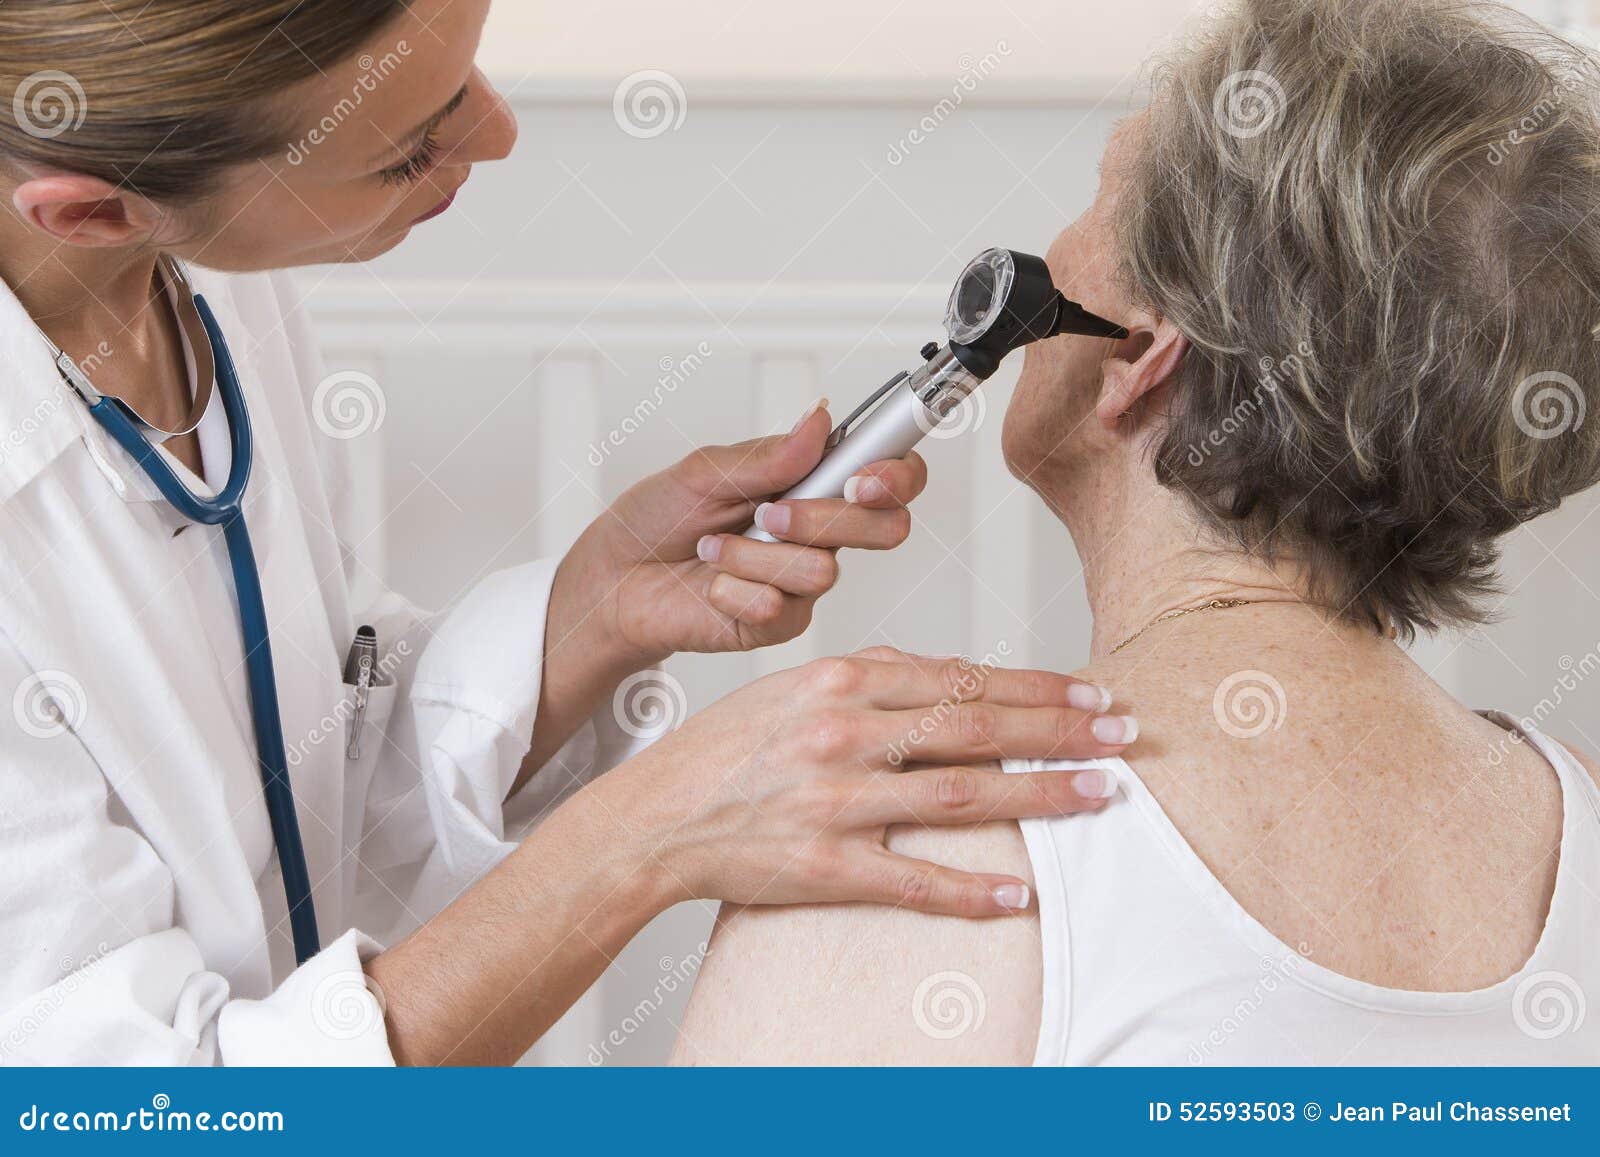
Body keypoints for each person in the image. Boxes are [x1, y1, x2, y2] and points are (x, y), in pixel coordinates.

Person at [0, 0, 1141, 1066]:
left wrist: (588, 615)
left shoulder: (210, 293)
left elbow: (299, 781)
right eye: (409, 149)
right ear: (94, 208)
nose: (497, 135)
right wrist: (647, 833)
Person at [672, 0, 1600, 1066]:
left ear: (1140, 356)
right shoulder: (1574, 820)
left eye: (1100, 193)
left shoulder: (915, 847)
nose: (1053, 239)